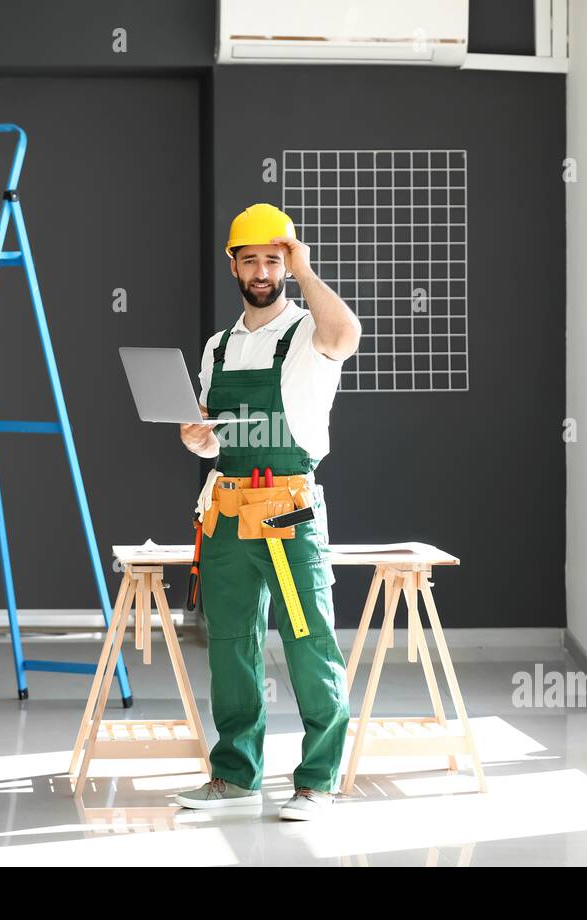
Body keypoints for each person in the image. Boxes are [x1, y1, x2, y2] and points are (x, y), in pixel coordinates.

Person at [175, 203, 362, 821]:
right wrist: (203, 440)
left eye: (273, 260)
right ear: (233, 265)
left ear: (286, 262)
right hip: (227, 512)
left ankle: (317, 782)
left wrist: (307, 269)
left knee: (309, 644)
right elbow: (217, 430)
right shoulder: (217, 346)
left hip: (288, 513)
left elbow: (347, 337)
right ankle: (235, 776)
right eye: (250, 259)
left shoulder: (311, 332)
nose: (262, 271)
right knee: (230, 644)